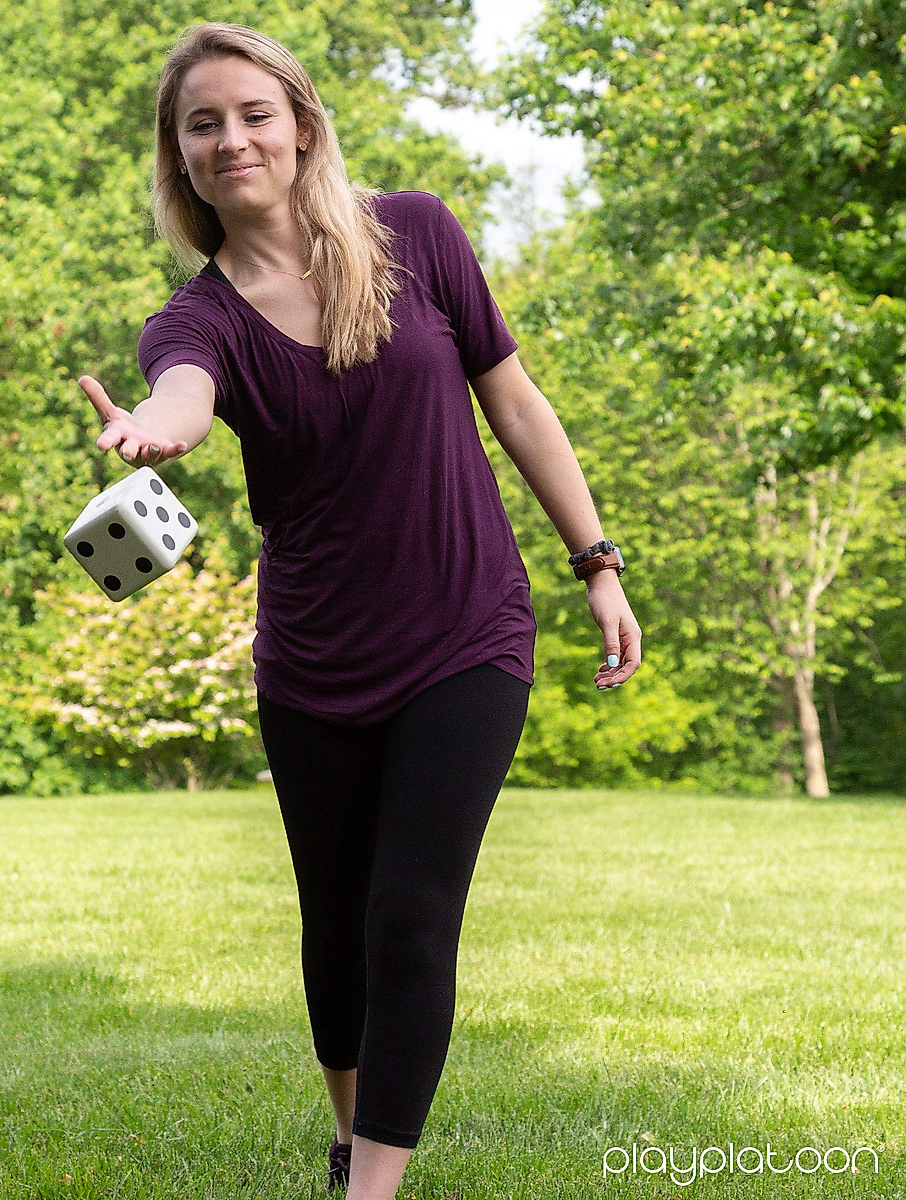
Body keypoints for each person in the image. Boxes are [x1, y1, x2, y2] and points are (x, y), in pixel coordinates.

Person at [77, 21, 642, 1200]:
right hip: (316, 657)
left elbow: (519, 406)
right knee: (335, 922)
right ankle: (349, 1129)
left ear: (301, 123)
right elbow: (184, 395)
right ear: (179, 159)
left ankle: (373, 1187)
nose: (232, 139)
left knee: (410, 912)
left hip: (465, 631)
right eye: (202, 124)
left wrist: (596, 560)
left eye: (252, 114)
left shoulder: (420, 236)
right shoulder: (195, 321)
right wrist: (155, 430)